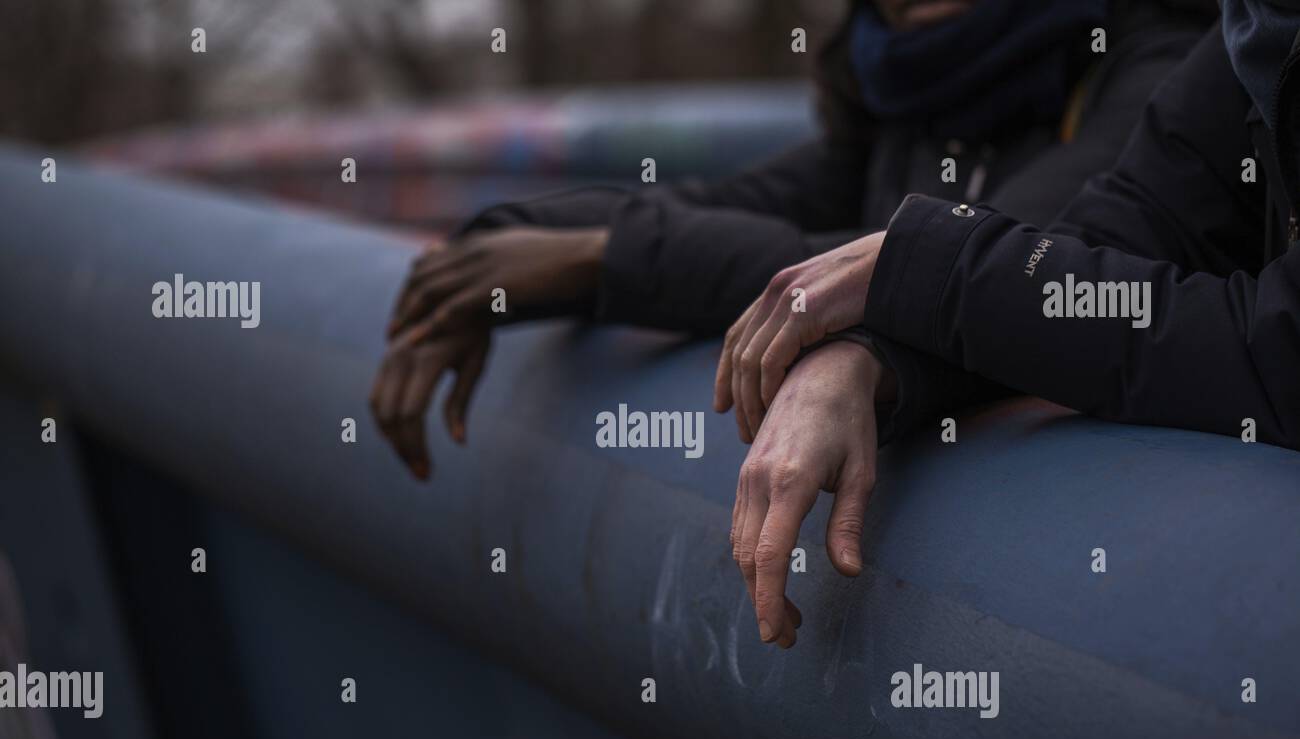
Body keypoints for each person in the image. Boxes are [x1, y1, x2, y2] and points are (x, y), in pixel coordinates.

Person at [372, 0, 1214, 499]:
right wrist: (500, 251)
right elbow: (750, 209)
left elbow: (990, 263)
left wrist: (603, 258)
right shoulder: (910, 84)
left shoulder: (1164, 65)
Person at [719, 0, 1300, 650]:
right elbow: (1129, 227)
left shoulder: (1146, 48)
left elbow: (1280, 348)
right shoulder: (1253, 25)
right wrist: (867, 352)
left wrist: (920, 272)